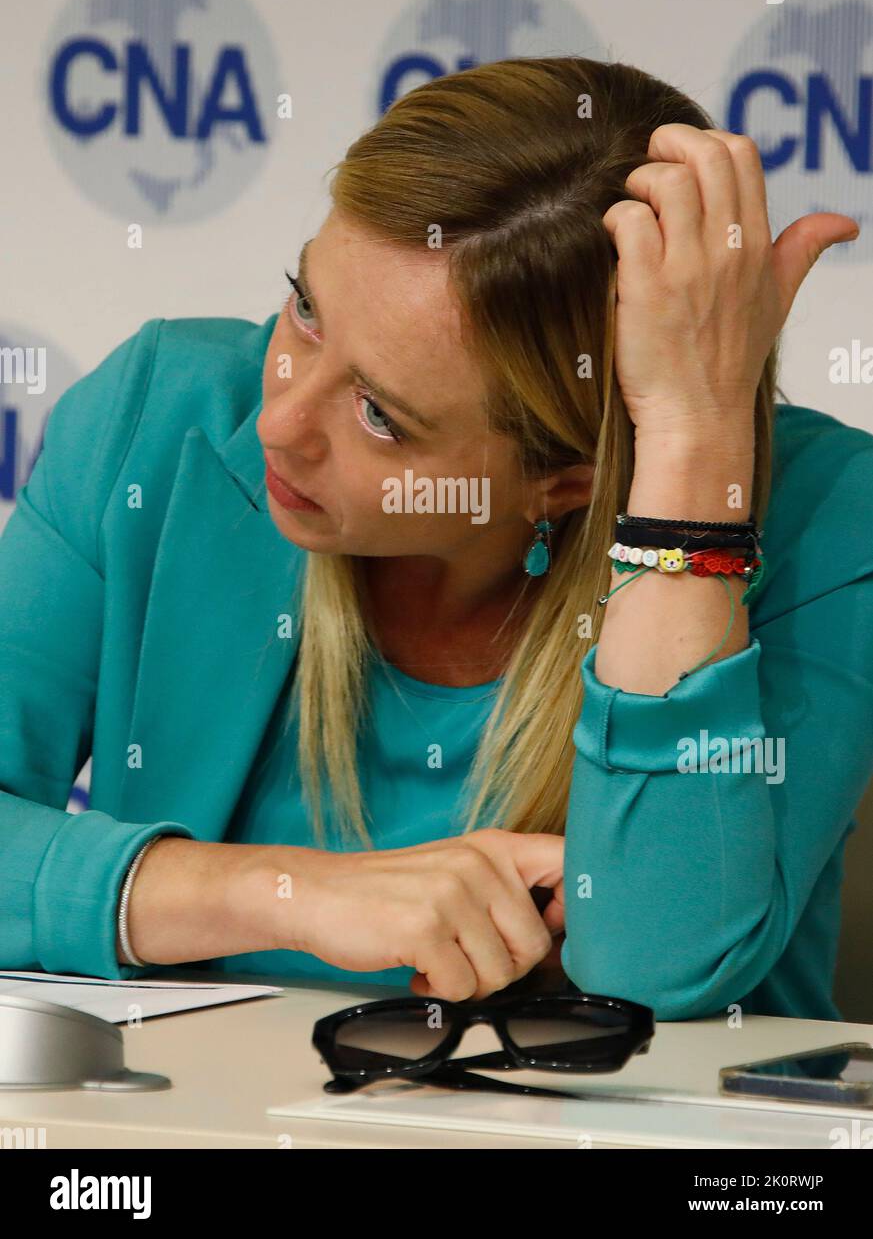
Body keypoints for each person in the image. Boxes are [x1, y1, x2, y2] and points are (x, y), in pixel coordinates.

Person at [2, 57, 872, 1021]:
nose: (279, 420)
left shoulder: (825, 516)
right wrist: (289, 895)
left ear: (567, 480)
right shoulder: (159, 418)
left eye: (379, 414)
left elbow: (657, 965)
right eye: (304, 307)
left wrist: (694, 458)